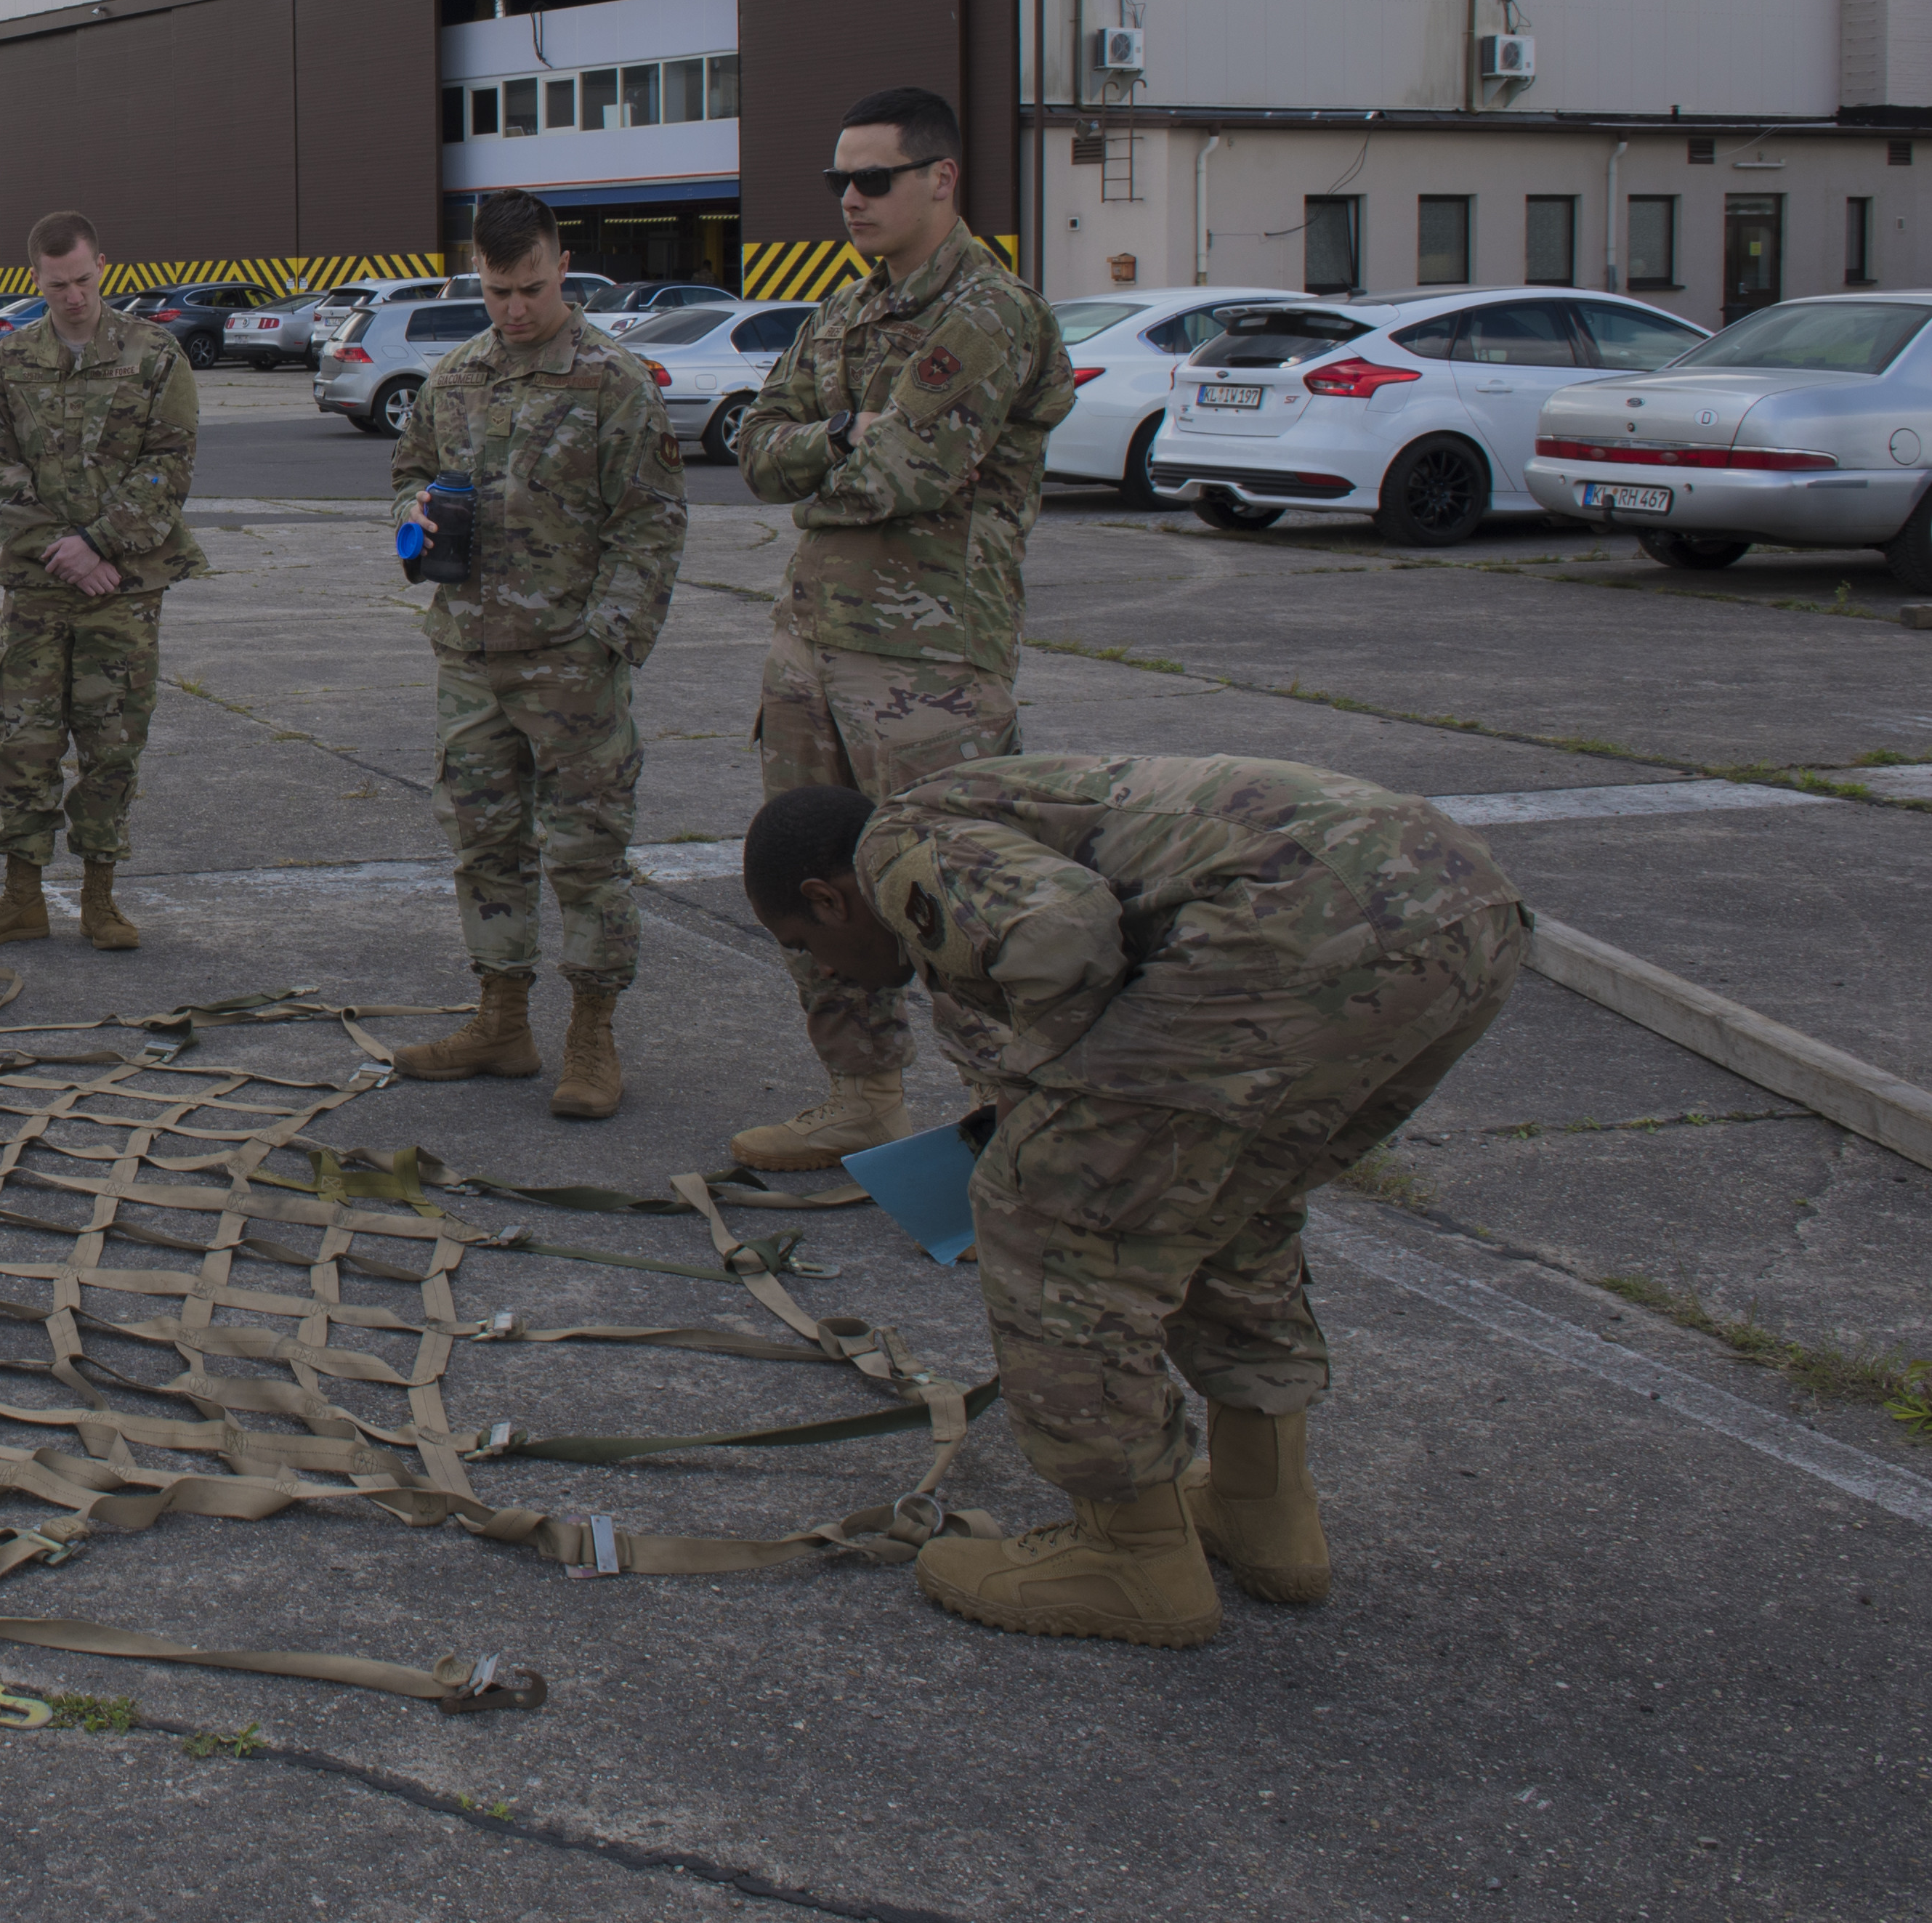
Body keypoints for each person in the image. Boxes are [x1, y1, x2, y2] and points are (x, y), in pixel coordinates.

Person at [743, 756, 1524, 1649]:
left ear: (826, 896)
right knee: (1228, 1203)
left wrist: (1050, 1102)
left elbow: (1062, 933)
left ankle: (1130, 1557)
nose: (823, 965)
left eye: (802, 943)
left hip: (1299, 925)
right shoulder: (985, 802)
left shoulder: (897, 849)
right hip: (1458, 908)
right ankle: (1261, 1509)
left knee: (1049, 1215)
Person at [729, 84, 1079, 1172]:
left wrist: (825, 457)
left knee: (956, 896)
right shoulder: (843, 312)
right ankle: (859, 1094)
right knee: (819, 891)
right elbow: (752, 447)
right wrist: (841, 431)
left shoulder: (987, 313)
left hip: (926, 663)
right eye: (838, 180)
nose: (848, 198)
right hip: (813, 645)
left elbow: (899, 476)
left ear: (939, 178)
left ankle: (1012, 1136)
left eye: (871, 178)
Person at [382, 191, 687, 1117]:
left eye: (529, 287)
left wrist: (607, 640)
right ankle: (501, 1019)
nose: (514, 308)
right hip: (470, 659)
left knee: (587, 855)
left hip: (570, 667)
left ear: (562, 267)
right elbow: (408, 470)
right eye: (495, 289)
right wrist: (410, 513)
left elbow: (653, 521)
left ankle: (590, 1036)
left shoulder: (612, 379)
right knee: (484, 845)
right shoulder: (458, 374)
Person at [0, 209, 201, 952]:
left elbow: (169, 463)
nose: (74, 297)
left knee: (110, 739)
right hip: (37, 587)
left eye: (84, 280)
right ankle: (20, 896)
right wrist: (55, 546)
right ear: (36, 280)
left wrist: (98, 545)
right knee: (23, 740)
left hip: (121, 587)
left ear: (102, 267)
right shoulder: (6, 363)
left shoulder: (154, 355)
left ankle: (99, 898)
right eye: (58, 285)